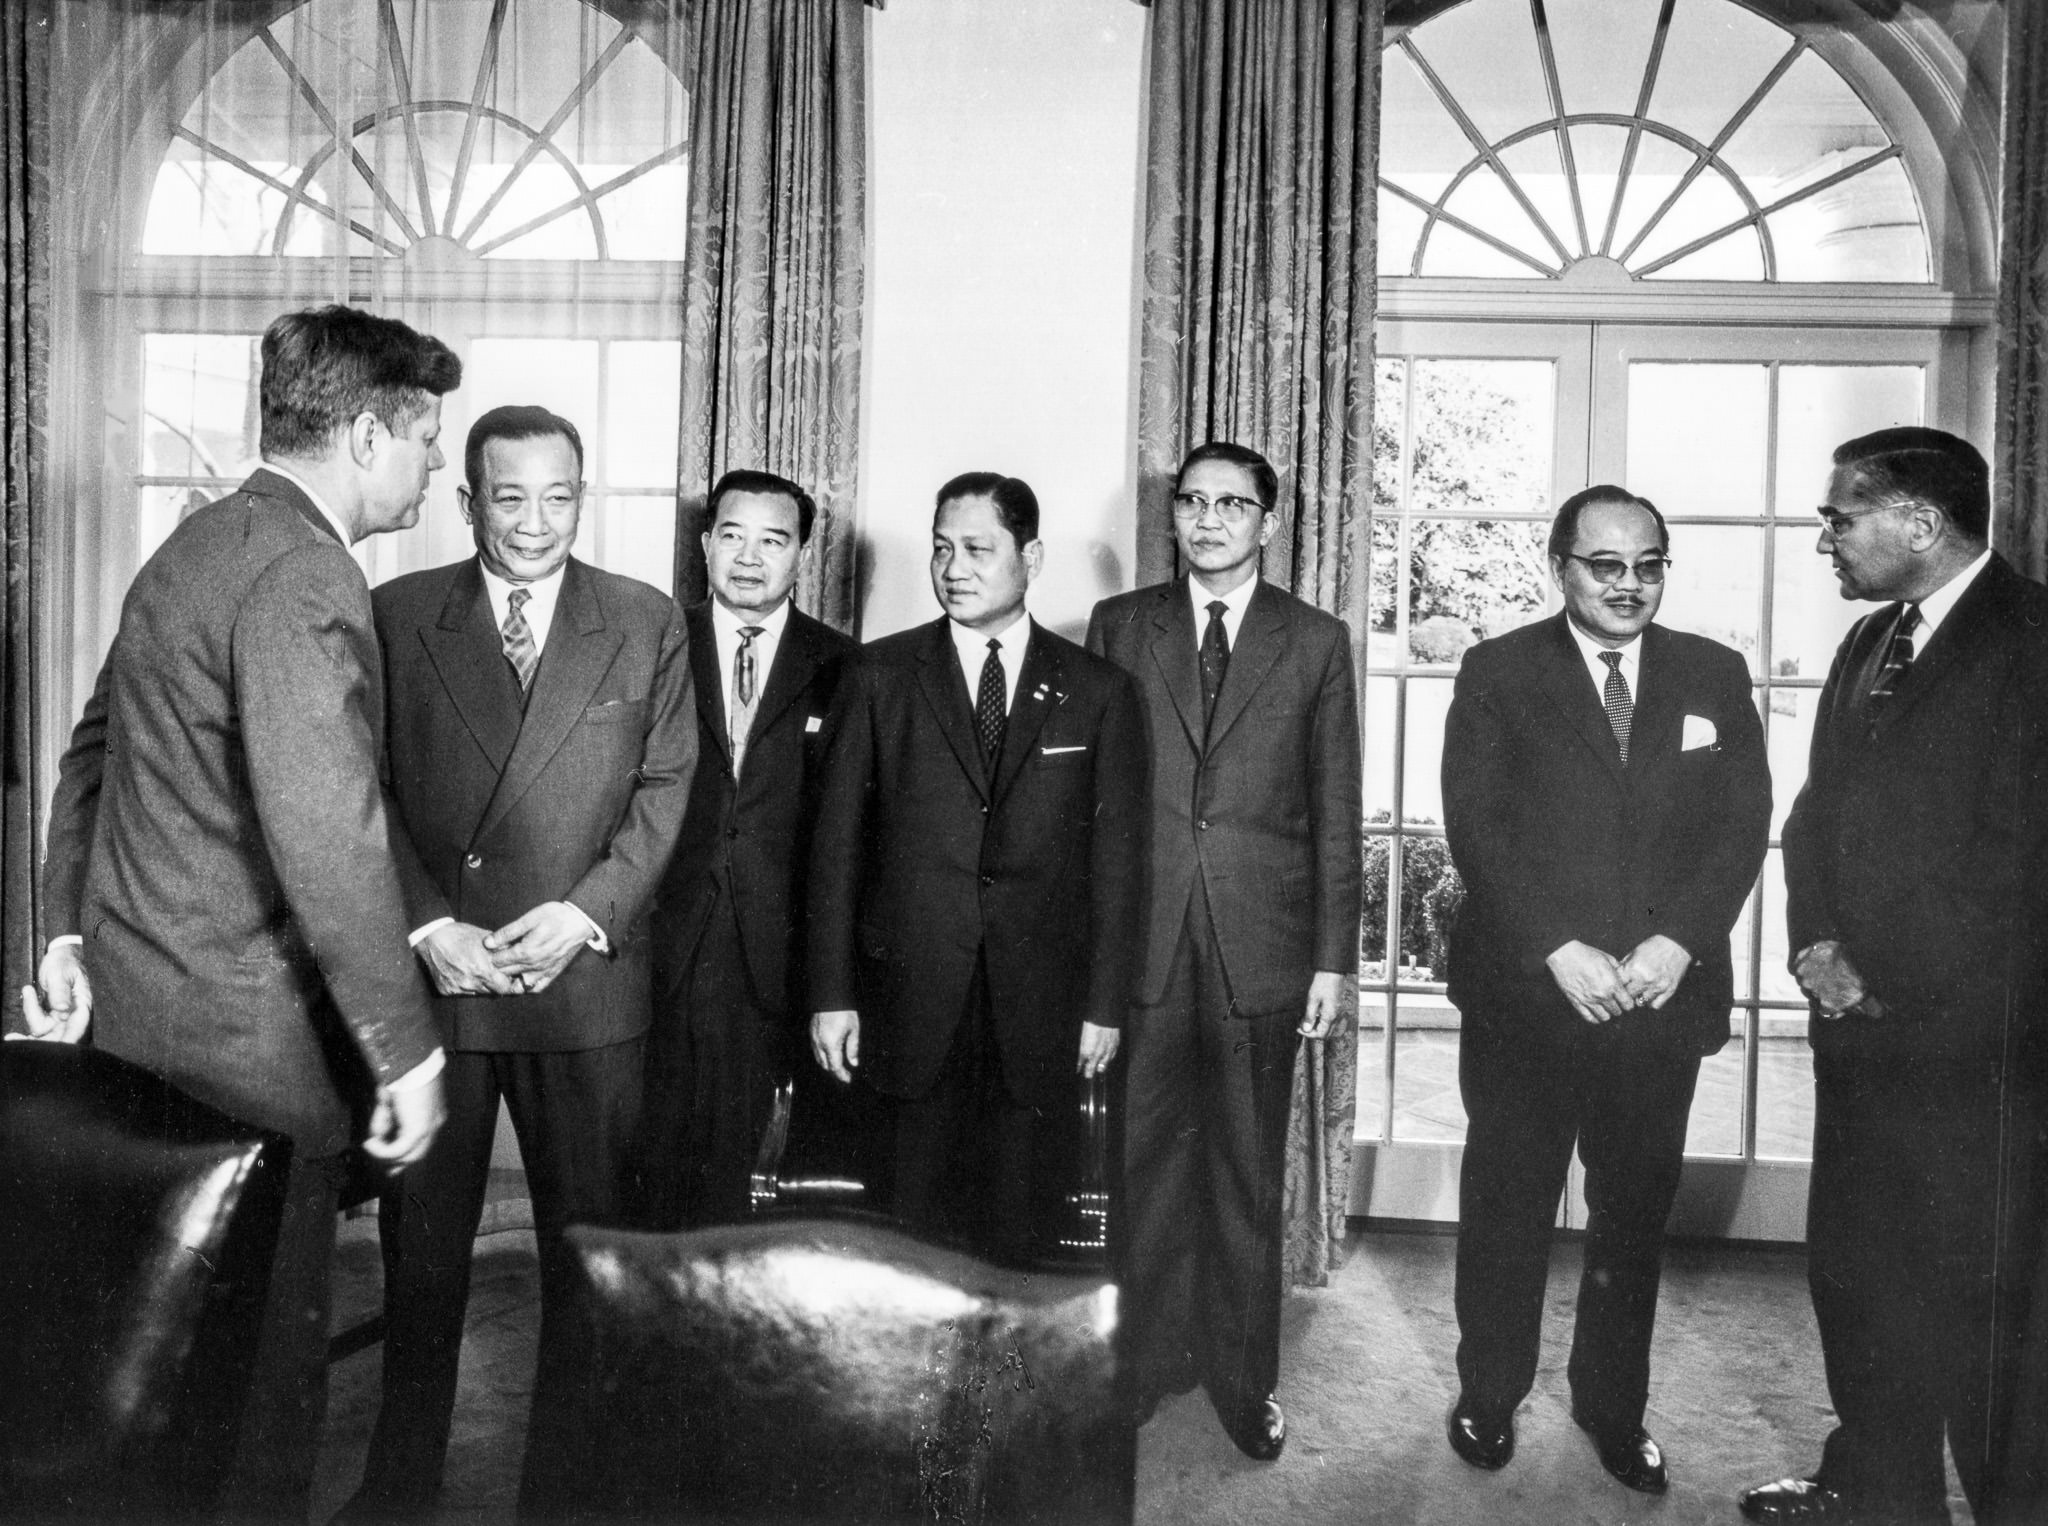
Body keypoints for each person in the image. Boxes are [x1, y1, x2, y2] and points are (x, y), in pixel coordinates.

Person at [21, 304, 456, 1521]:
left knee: (158, 1402)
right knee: (262, 1424)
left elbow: (91, 754)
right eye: (427, 439)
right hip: (257, 1081)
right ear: (369, 432)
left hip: (135, 1045)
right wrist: (405, 1048)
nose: (432, 466)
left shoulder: (195, 544)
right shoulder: (309, 571)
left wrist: (64, 930)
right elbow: (331, 836)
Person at [341, 405, 695, 1520]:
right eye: (509, 496)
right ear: (467, 501)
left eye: (558, 496)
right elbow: (357, 790)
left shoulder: (644, 619)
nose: (535, 522)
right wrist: (428, 923)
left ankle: (570, 1496)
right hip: (442, 987)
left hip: (583, 990)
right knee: (425, 1262)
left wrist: (585, 915)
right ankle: (397, 1489)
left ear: (581, 498)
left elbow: (665, 790)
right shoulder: (395, 616)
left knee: (586, 1261)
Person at [1739, 428, 2048, 1525]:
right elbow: (1812, 815)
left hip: (1978, 1051)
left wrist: (1887, 976)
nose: (1824, 536)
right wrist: (1816, 948)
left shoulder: (2031, 638)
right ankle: (1876, 1485)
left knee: (1984, 1305)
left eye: (1838, 516)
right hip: (1856, 1031)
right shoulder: (1870, 639)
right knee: (1856, 1274)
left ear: (1917, 522)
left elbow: (2018, 865)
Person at [1439, 485, 1770, 1494]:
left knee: (1631, 1211)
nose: (1627, 585)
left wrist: (1679, 939)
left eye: (1647, 564)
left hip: (1659, 997)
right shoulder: (1496, 669)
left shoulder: (1712, 671)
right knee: (1508, 1202)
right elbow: (1476, 823)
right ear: (1559, 566)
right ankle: (1486, 1394)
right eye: (1604, 565)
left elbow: (1739, 821)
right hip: (1528, 995)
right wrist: (1555, 946)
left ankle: (1610, 1405)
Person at [1085, 441, 1362, 1462]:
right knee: (1143, 1162)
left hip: (1266, 945)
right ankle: (1146, 1363)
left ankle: (1244, 1378)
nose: (1208, 520)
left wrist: (1332, 959)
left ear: (1268, 521)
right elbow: (1096, 801)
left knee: (1247, 1166)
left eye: (1231, 504)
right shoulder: (1122, 626)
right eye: (1192, 503)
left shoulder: (1315, 639)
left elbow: (1335, 809)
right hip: (1147, 943)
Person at [807, 471, 1145, 1265]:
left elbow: (1119, 865)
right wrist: (831, 994)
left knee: (1020, 1233)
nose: (954, 568)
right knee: (909, 1236)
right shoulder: (875, 677)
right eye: (940, 549)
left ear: (1030, 558)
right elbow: (835, 852)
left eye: (977, 549)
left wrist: (1105, 1004)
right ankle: (916, 1392)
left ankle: (999, 1391)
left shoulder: (1098, 692)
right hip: (908, 1002)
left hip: (1040, 1010)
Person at [637, 469, 858, 1228]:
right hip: (653, 942)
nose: (750, 558)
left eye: (774, 540)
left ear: (802, 554)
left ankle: (716, 1333)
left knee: (735, 1175)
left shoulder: (848, 667)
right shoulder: (654, 642)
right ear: (705, 543)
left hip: (773, 955)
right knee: (641, 1166)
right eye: (733, 535)